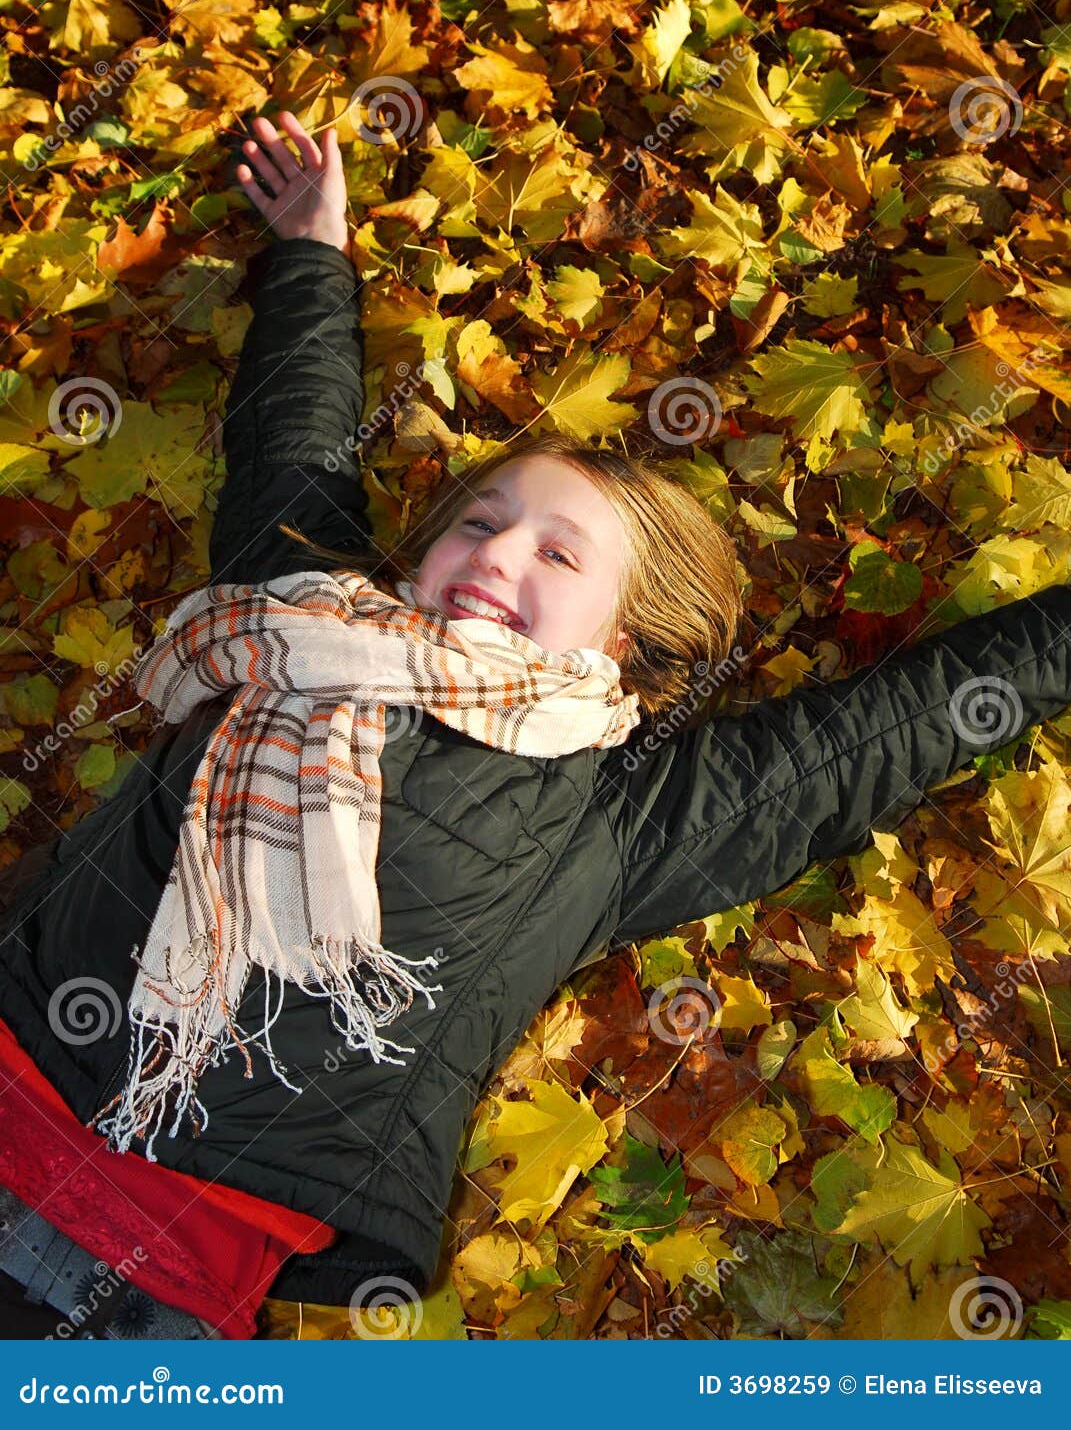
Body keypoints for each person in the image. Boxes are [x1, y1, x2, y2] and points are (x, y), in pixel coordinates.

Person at [1, 111, 1068, 1340]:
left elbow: (888, 731)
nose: (497, 551)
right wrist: (314, 250)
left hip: (145, 1281)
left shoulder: (611, 817)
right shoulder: (303, 610)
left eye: (559, 553)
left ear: (626, 640)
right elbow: (294, 435)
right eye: (478, 520)